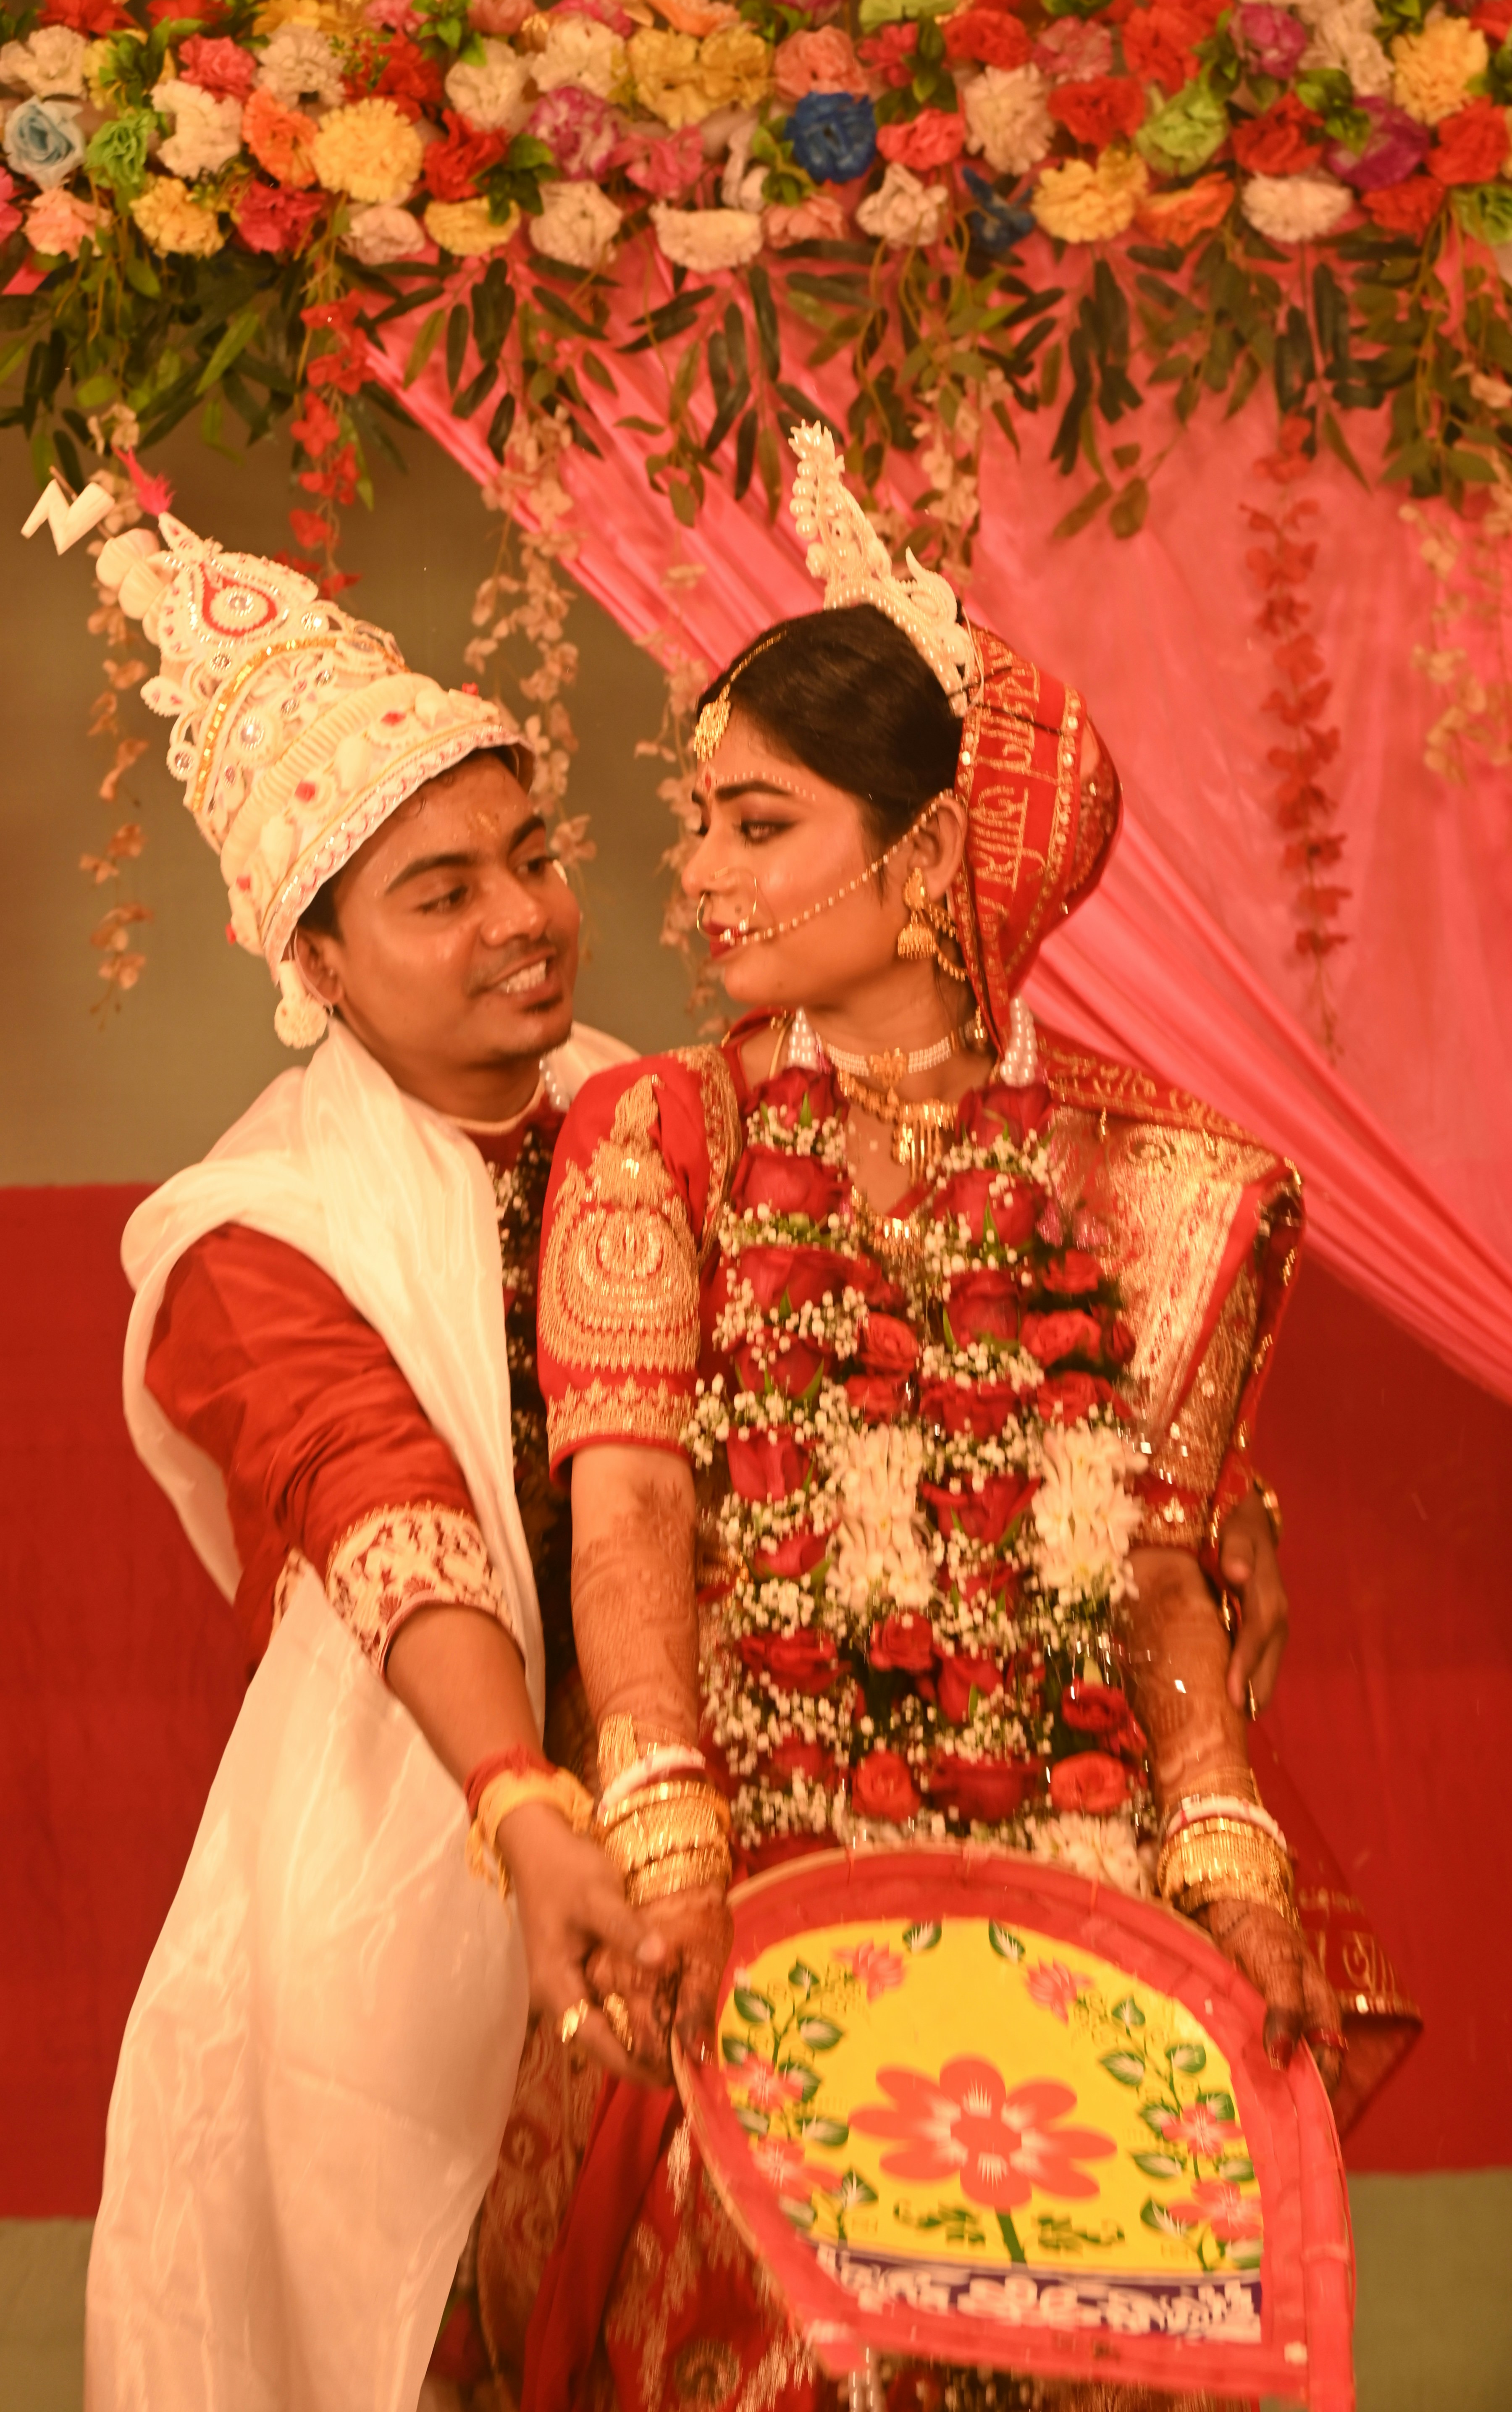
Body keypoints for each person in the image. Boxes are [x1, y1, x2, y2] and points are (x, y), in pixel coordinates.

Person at [516, 428, 1383, 2410]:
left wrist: (1224, 1870)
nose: (698, 872)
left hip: (1066, 1887)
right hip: (763, 1880)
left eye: (758, 825)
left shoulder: (1143, 1183)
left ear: (926, 858)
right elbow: (630, 1513)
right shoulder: (664, 1134)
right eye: (702, 820)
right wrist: (667, 1846)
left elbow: (1146, 1570)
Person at [69, 509, 659, 2412]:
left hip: (697, 1813)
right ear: (313, 957)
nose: (520, 918)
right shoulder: (255, 1231)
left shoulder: (677, 1126)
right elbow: (375, 1490)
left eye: (531, 856)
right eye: (437, 891)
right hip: (415, 1852)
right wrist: (524, 1799)